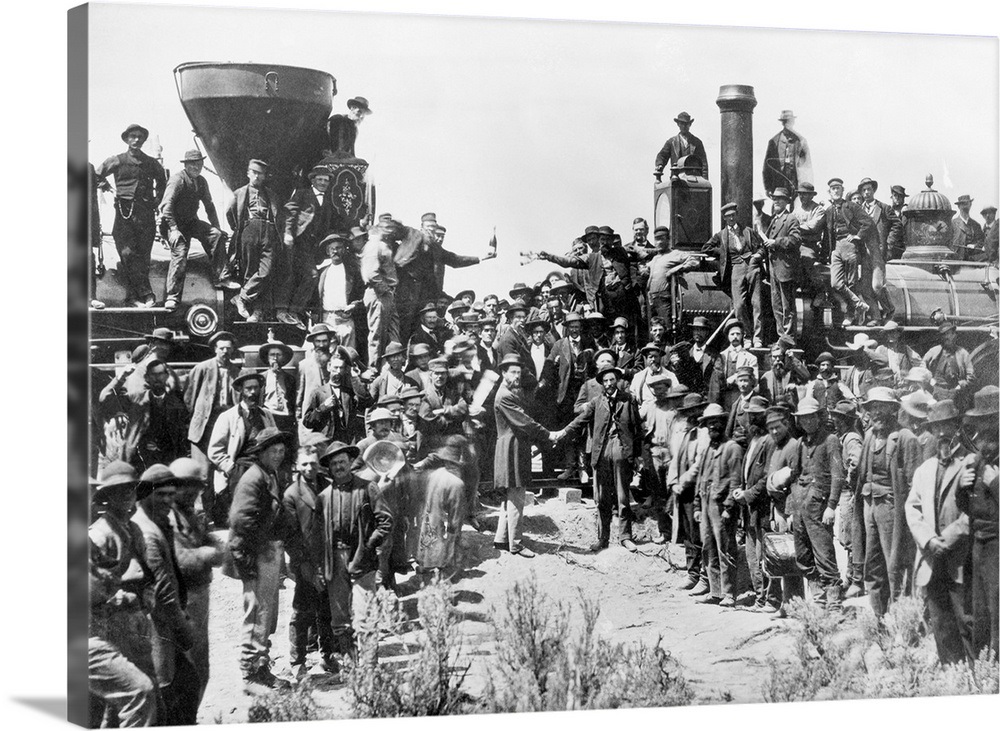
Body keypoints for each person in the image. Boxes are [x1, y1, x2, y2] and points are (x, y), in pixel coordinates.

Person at [88, 461, 159, 727]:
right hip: (110, 620)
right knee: (132, 691)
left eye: (131, 489)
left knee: (139, 688)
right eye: (120, 490)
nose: (128, 494)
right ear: (107, 496)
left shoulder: (133, 528)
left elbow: (146, 571)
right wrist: (118, 597)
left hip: (134, 616)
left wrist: (147, 598)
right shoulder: (100, 533)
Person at [906, 400, 975, 665]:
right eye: (937, 428)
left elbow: (974, 512)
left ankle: (976, 677)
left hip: (960, 558)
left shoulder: (970, 463)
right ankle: (950, 674)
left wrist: (947, 539)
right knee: (941, 623)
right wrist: (928, 540)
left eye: (947, 426)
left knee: (966, 621)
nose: (943, 433)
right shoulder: (924, 470)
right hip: (932, 558)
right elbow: (912, 508)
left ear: (957, 426)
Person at [228, 428, 296, 688]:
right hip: (255, 554)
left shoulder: (269, 474)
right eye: (273, 451)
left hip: (266, 552)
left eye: (281, 451)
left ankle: (260, 665)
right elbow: (240, 520)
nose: (278, 455)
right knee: (257, 612)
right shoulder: (253, 478)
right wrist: (247, 559)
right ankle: (251, 673)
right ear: (262, 453)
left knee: (266, 612)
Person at [131, 464, 198, 725]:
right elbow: (164, 593)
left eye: (171, 494)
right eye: (160, 495)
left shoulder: (157, 523)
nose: (168, 500)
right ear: (144, 495)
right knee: (166, 691)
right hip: (158, 626)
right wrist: (184, 629)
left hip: (163, 623)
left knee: (187, 683)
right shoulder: (148, 532)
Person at [317, 441, 393, 657]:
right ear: (329, 468)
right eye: (334, 464)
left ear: (351, 462)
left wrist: (369, 544)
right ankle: (351, 665)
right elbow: (317, 533)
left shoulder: (367, 488)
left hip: (362, 558)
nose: (338, 467)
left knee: (365, 614)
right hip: (335, 558)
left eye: (342, 462)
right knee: (340, 617)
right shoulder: (324, 496)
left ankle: (369, 666)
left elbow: (386, 521)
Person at [856, 388, 921, 615]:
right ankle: (879, 619)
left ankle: (901, 619)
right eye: (873, 407)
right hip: (869, 506)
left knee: (896, 565)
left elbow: (914, 483)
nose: (877, 412)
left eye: (882, 407)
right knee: (872, 565)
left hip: (893, 508)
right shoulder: (869, 437)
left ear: (893, 409)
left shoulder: (905, 438)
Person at [167, 457, 222, 709]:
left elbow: (209, 540)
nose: (192, 491)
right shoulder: (168, 517)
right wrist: (208, 554)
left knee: (201, 667)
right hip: (183, 599)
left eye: (196, 486)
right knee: (188, 670)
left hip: (199, 596)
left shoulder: (190, 513)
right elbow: (182, 560)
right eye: (185, 485)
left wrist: (212, 548)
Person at [493, 355, 561, 557]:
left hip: (513, 447)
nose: (517, 376)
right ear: (503, 373)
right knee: (517, 495)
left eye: (519, 373)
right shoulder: (505, 396)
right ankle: (516, 543)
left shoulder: (509, 392)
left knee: (511, 495)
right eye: (512, 372)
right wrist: (548, 434)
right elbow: (525, 422)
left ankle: (501, 538)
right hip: (511, 449)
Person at [94, 123, 167, 307]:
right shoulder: (117, 160)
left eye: (140, 137)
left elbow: (162, 181)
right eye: (133, 136)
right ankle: (147, 294)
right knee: (127, 254)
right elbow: (96, 175)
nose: (136, 140)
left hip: (145, 216)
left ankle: (132, 299)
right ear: (127, 139)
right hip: (124, 215)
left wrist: (157, 201)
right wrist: (107, 187)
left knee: (143, 258)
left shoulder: (151, 163)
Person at [282, 443, 337, 678]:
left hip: (329, 558)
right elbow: (291, 536)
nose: (309, 468)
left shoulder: (329, 485)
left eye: (313, 463)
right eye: (304, 464)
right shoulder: (291, 494)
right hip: (305, 560)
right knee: (302, 612)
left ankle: (328, 655)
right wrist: (306, 567)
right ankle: (297, 661)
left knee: (327, 609)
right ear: (297, 465)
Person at [956, 386, 999, 657]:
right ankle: (983, 665)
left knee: (997, 609)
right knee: (980, 607)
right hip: (979, 542)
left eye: (990, 421)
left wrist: (996, 484)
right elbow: (967, 507)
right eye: (980, 423)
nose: (984, 429)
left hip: (998, 545)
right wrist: (962, 487)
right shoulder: (980, 458)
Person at [160, 150, 233, 308]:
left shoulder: (201, 182)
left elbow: (209, 206)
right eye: (193, 164)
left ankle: (221, 278)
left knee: (216, 235)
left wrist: (217, 227)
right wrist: (173, 229)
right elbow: (166, 207)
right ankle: (172, 296)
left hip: (191, 222)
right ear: (186, 165)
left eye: (199, 164)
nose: (196, 167)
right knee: (180, 251)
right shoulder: (177, 180)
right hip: (173, 224)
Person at [791, 396, 846, 608]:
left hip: (819, 506)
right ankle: (819, 598)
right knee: (803, 555)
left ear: (819, 417)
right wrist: (791, 508)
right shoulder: (800, 443)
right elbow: (795, 475)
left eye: (811, 417)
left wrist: (831, 506)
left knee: (824, 553)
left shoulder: (830, 440)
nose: (807, 422)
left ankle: (834, 603)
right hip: (800, 505)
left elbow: (838, 475)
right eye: (803, 418)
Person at [208, 370, 276, 526]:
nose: (253, 392)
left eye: (256, 388)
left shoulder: (266, 415)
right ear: (241, 391)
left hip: (263, 468)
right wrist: (231, 468)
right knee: (241, 514)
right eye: (248, 388)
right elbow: (215, 450)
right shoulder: (228, 417)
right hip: (239, 469)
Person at [692, 403, 743, 607]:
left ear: (723, 423)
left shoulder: (732, 448)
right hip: (706, 505)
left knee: (726, 549)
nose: (713, 426)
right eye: (709, 423)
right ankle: (715, 591)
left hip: (722, 507)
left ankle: (729, 593)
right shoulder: (707, 450)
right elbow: (700, 479)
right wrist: (697, 506)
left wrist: (729, 507)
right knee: (708, 548)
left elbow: (736, 480)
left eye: (716, 422)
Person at [184, 331, 240, 517]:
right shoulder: (202, 368)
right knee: (202, 472)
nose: (225, 351)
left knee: (226, 468)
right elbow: (189, 397)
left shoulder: (236, 371)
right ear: (215, 349)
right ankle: (202, 514)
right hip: (204, 426)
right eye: (221, 348)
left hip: (226, 425)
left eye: (228, 348)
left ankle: (221, 513)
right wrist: (195, 421)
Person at [99, 358, 189, 473]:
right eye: (153, 375)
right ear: (146, 378)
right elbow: (104, 398)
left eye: (160, 374)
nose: (157, 378)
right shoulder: (137, 399)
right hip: (139, 461)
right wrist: (120, 378)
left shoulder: (177, 401)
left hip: (169, 462)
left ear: (166, 376)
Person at [734, 395, 780, 610]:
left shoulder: (769, 441)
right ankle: (760, 597)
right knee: (752, 555)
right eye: (750, 415)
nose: (752, 419)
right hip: (750, 508)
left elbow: (768, 475)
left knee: (765, 554)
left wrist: (749, 494)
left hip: (763, 507)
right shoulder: (753, 440)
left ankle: (771, 598)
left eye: (757, 416)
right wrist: (741, 490)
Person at [282, 167, 338, 328]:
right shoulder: (302, 194)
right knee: (311, 275)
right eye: (320, 179)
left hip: (315, 248)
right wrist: (288, 233)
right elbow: (290, 213)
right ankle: (293, 311)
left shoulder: (328, 201)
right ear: (313, 180)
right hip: (299, 244)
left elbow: (331, 223)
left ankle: (307, 314)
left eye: (326, 180)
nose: (323, 183)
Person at [703, 203, 764, 346]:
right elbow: (706, 248)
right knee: (739, 305)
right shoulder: (721, 235)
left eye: (733, 215)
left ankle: (758, 338)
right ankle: (747, 337)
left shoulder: (748, 231)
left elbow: (761, 247)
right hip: (736, 268)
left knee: (757, 303)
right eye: (728, 216)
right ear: (724, 218)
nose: (731, 218)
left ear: (737, 215)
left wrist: (758, 256)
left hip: (753, 267)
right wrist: (723, 253)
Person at [667, 393, 710, 593]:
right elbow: (676, 459)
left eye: (695, 411)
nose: (692, 415)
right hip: (682, 491)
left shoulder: (704, 434)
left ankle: (703, 576)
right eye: (688, 412)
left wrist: (683, 482)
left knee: (698, 533)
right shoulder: (686, 433)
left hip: (696, 490)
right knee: (687, 534)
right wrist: (673, 482)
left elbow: (699, 464)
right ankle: (692, 573)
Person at [822, 177, 875, 327]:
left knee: (852, 283)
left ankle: (850, 315)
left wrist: (858, 236)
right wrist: (824, 254)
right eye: (833, 189)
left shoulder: (851, 206)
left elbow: (868, 222)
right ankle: (858, 304)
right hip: (836, 248)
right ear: (829, 192)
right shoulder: (829, 210)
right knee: (836, 283)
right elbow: (826, 234)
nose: (836, 191)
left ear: (842, 190)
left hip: (850, 246)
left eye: (838, 188)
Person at [829, 401, 865, 600]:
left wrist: (850, 480)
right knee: (846, 534)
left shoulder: (851, 438)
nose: (833, 420)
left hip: (849, 492)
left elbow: (856, 461)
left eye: (837, 417)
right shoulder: (844, 437)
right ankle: (852, 578)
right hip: (846, 491)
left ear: (844, 420)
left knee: (851, 534)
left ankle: (854, 579)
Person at [857, 177, 901, 322]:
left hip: (878, 252)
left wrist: (889, 243)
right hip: (864, 253)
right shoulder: (858, 209)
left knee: (877, 286)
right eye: (864, 190)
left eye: (869, 189)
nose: (867, 192)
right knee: (865, 289)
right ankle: (875, 317)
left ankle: (890, 311)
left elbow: (897, 225)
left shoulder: (883, 208)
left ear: (873, 190)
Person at [760, 188, 802, 341]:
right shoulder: (774, 220)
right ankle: (781, 338)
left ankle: (789, 338)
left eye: (780, 199)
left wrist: (775, 242)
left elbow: (795, 240)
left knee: (787, 306)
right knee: (776, 305)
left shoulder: (791, 219)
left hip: (785, 269)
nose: (776, 201)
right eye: (774, 198)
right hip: (773, 268)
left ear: (786, 202)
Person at [360, 218, 401, 367]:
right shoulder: (374, 245)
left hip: (387, 294)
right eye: (388, 228)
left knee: (392, 333)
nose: (392, 232)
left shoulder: (384, 245)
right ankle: (374, 369)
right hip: (379, 294)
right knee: (378, 335)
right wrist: (385, 290)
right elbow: (371, 274)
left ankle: (388, 368)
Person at [318, 233, 365, 350]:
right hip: (327, 319)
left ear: (343, 250)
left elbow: (362, 294)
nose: (335, 251)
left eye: (338, 248)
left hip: (345, 319)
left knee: (348, 354)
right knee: (328, 352)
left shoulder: (353, 272)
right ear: (328, 251)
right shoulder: (322, 272)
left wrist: (354, 305)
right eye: (332, 249)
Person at [646, 225, 700, 326]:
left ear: (668, 240)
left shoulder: (675, 254)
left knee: (666, 327)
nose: (659, 242)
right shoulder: (655, 258)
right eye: (657, 239)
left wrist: (677, 269)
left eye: (662, 239)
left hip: (664, 298)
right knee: (653, 329)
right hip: (651, 299)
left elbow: (694, 261)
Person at [762, 110, 813, 203]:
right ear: (782, 123)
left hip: (795, 183)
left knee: (797, 207)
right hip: (779, 184)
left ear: (793, 122)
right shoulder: (774, 141)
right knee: (778, 207)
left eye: (790, 121)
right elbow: (767, 166)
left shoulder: (801, 141)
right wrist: (767, 187)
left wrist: (806, 188)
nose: (787, 124)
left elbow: (807, 166)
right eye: (785, 121)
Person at [924, 320, 976, 410]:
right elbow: (921, 366)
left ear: (954, 335)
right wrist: (929, 380)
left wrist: (962, 385)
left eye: (949, 334)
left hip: (956, 393)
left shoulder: (963, 353)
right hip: (936, 392)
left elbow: (971, 374)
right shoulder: (934, 352)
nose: (946, 337)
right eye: (944, 335)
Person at [714, 320, 759, 412]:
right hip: (725, 399)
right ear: (728, 336)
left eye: (738, 334)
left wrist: (736, 377)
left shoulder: (751, 358)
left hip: (742, 398)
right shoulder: (721, 356)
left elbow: (755, 380)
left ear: (742, 336)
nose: (735, 336)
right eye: (732, 334)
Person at [296, 324, 337, 422]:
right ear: (313, 342)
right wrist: (298, 415)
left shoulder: (337, 363)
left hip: (333, 414)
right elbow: (299, 393)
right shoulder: (304, 365)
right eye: (318, 341)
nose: (321, 345)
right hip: (312, 416)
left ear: (330, 341)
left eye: (324, 341)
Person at [654, 111, 708, 181]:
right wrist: (660, 165)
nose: (684, 126)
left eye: (686, 124)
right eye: (682, 123)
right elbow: (662, 156)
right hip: (677, 179)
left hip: (694, 180)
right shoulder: (671, 142)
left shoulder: (697, 143)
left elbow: (704, 163)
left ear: (690, 124)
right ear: (678, 124)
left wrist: (705, 180)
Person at [259, 339, 297, 434]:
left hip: (285, 418)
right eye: (272, 355)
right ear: (267, 357)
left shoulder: (289, 379)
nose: (275, 358)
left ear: (283, 358)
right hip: (268, 416)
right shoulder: (262, 378)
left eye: (278, 355)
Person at [687, 317, 719, 401]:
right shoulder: (687, 353)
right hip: (689, 400)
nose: (698, 333)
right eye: (695, 330)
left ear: (707, 332)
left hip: (707, 399)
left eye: (701, 330)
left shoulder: (713, 354)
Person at [951, 194, 984, 259]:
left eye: (967, 203)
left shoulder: (976, 225)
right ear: (959, 206)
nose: (965, 206)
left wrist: (975, 246)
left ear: (970, 205)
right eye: (963, 204)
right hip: (956, 259)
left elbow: (982, 241)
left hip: (972, 259)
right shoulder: (953, 224)